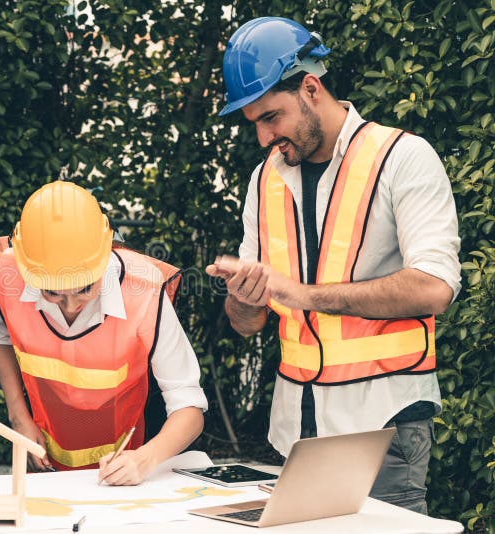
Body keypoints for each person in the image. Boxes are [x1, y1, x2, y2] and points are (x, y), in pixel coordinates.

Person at [206, 17, 460, 513]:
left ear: (310, 87)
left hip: (383, 423)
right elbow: (247, 325)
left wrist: (303, 295)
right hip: (297, 430)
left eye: (271, 117)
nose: (263, 137)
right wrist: (244, 299)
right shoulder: (264, 180)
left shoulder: (403, 156)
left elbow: (435, 287)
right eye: (254, 122)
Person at [0, 181, 207, 485]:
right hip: (46, 471)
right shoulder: (9, 274)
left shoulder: (145, 291)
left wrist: (144, 459)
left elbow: (189, 408)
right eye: (52, 292)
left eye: (84, 288)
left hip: (125, 474)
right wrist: (18, 417)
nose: (71, 305)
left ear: (105, 254)